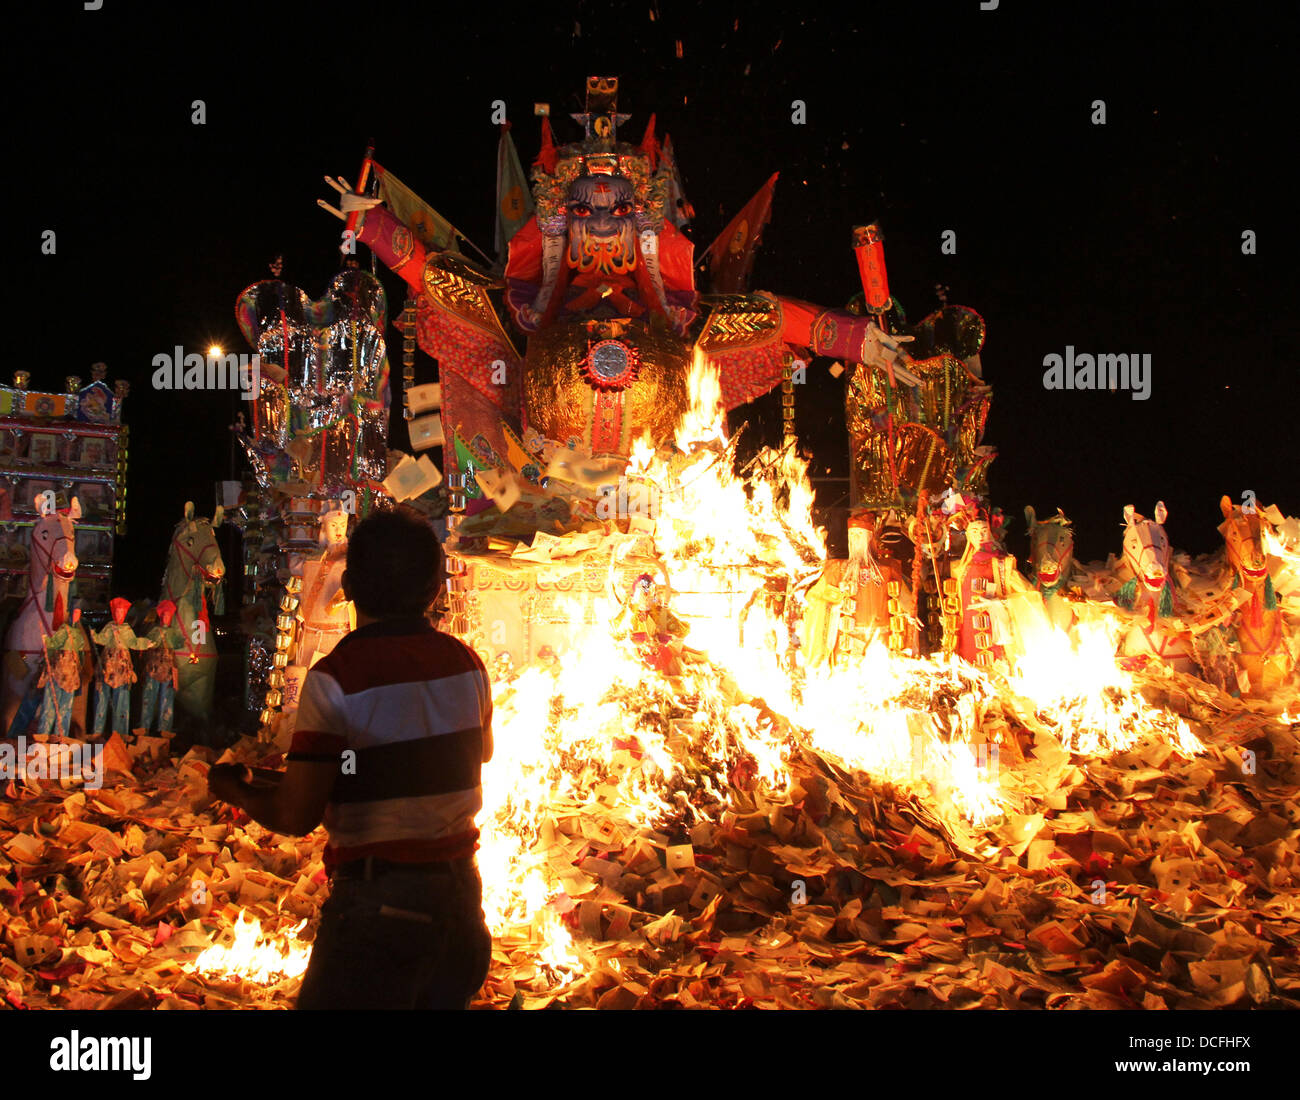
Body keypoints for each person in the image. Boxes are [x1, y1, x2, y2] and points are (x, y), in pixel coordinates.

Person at [207, 507, 494, 1009]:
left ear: (351, 585)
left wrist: (236, 789)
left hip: (379, 913)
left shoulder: (335, 678)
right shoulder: (468, 664)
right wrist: (341, 770)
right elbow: (468, 755)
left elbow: (298, 816)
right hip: (462, 907)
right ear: (434, 589)